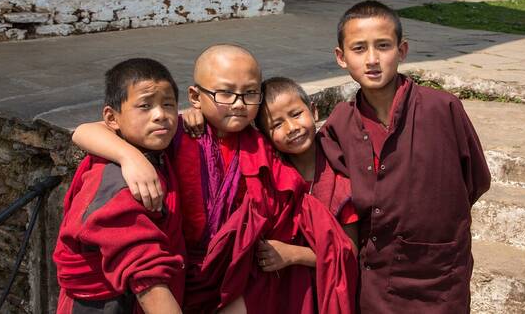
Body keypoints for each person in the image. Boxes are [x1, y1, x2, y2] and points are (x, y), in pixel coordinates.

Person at [72, 45, 357, 314]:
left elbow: (288, 215)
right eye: (225, 93)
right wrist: (128, 156)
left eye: (249, 93)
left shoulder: (262, 147)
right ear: (196, 97)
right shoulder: (174, 134)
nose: (238, 104)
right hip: (174, 276)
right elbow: (85, 131)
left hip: (234, 279)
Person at [317, 0, 491, 313]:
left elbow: (476, 181)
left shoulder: (443, 109)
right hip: (376, 279)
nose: (372, 59)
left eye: (383, 46)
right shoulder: (339, 124)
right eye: (359, 49)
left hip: (439, 275)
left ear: (402, 50)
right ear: (341, 58)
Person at [53, 58, 185, 314]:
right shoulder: (117, 183)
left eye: (169, 104)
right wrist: (129, 156)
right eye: (145, 106)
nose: (161, 115)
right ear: (112, 118)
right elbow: (147, 279)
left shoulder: (158, 153)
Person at [253, 76, 359, 270]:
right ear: (265, 136)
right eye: (277, 125)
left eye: (296, 114)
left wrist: (295, 255)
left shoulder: (339, 180)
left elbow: (350, 252)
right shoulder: (273, 181)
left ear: (314, 111)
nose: (292, 128)